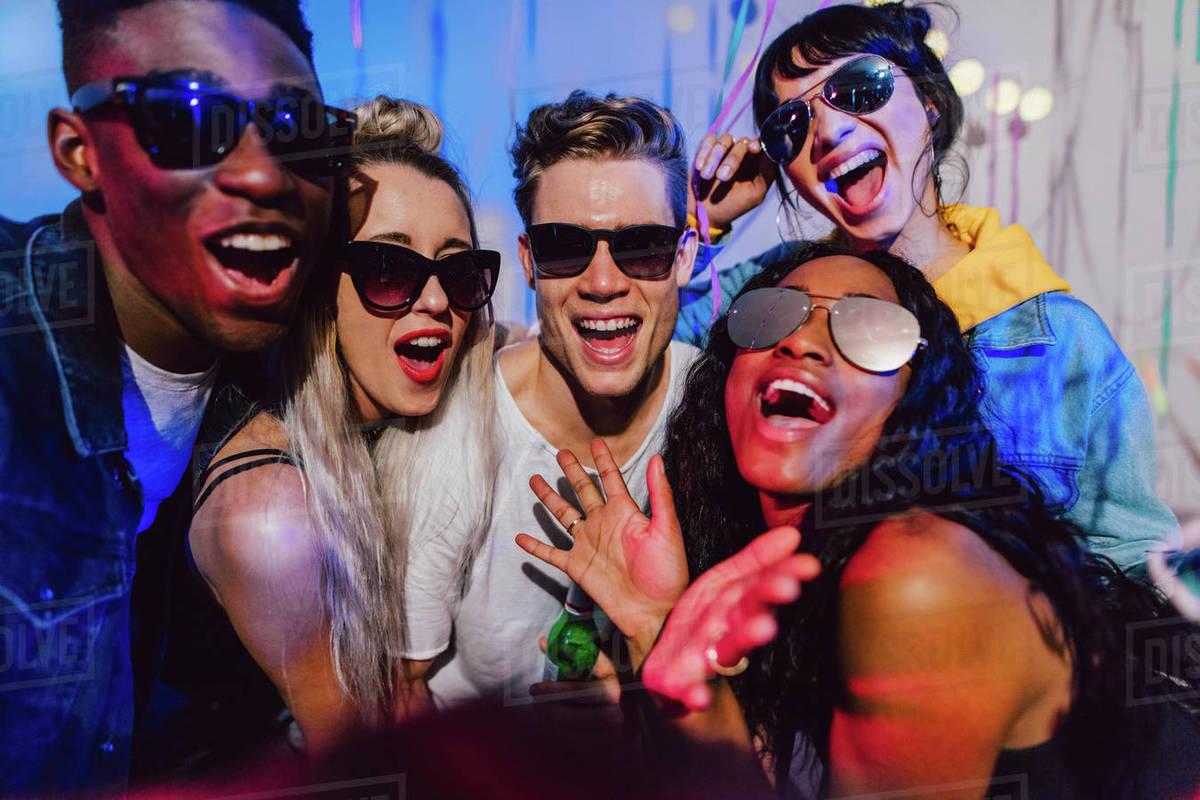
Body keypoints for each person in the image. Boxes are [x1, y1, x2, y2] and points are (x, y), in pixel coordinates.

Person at [522, 242, 1200, 799]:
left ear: (915, 400)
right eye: (770, 314)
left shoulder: (918, 576)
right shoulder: (781, 579)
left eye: (870, 330)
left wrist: (689, 692)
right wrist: (655, 622)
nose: (802, 342)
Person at [675, 2, 1176, 570]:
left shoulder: (1060, 341)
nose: (828, 130)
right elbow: (644, 343)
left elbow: (1134, 562)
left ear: (930, 104)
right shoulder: (779, 295)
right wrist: (705, 224)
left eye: (860, 89)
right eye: (791, 125)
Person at [0, 0, 345, 794]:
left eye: (298, 131)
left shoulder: (280, 367)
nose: (264, 174)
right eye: (188, 120)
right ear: (78, 151)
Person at [133, 96, 499, 776]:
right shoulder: (270, 514)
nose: (437, 302)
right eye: (388, 270)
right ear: (317, 287)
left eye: (457, 272)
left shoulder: (359, 407)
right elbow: (367, 774)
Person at [402, 90, 700, 705]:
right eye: (565, 247)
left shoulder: (717, 410)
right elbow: (394, 690)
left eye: (642, 246)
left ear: (685, 257)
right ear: (529, 261)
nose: (603, 282)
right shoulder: (456, 430)